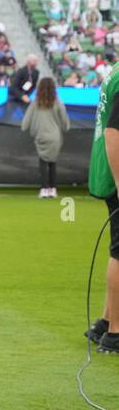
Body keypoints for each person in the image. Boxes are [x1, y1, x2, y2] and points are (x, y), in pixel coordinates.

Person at [86, 65, 119, 353]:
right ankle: (115, 334)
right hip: (115, 176)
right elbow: (113, 132)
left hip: (107, 173)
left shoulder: (115, 71)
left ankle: (106, 323)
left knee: (117, 249)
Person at [21, 77, 70, 199]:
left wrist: (25, 127)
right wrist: (65, 128)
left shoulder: (35, 102)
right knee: (53, 163)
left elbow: (25, 122)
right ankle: (53, 189)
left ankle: (43, 189)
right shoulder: (58, 102)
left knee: (43, 162)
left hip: (40, 136)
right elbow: (65, 122)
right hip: (55, 137)